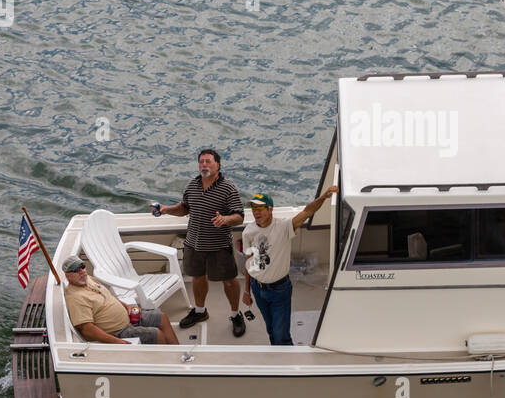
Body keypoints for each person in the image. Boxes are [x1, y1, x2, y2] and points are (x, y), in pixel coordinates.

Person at [151, 148, 247, 336]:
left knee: (229, 281)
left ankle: (236, 314)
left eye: (208, 161)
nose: (204, 165)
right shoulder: (192, 185)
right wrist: (165, 209)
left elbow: (239, 216)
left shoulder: (228, 188)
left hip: (219, 246)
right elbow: (184, 208)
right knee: (197, 278)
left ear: (218, 165)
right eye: (201, 161)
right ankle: (200, 312)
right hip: (194, 244)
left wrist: (225, 220)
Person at [240, 185, 338, 346]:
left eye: (260, 208)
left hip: (280, 290)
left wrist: (324, 196)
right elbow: (249, 261)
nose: (256, 212)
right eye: (253, 208)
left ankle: (287, 362)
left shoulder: (284, 226)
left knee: (281, 334)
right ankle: (279, 357)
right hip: (257, 289)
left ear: (270, 209)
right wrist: (246, 291)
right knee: (271, 330)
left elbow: (307, 211)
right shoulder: (248, 232)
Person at [61, 255, 178, 345]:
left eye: (82, 266)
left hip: (128, 316)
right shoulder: (76, 298)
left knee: (162, 317)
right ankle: (168, 364)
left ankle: (177, 352)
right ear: (67, 275)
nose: (81, 271)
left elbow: (108, 296)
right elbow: (87, 330)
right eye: (76, 270)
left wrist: (126, 306)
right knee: (156, 334)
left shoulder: (88, 279)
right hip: (119, 332)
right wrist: (117, 341)